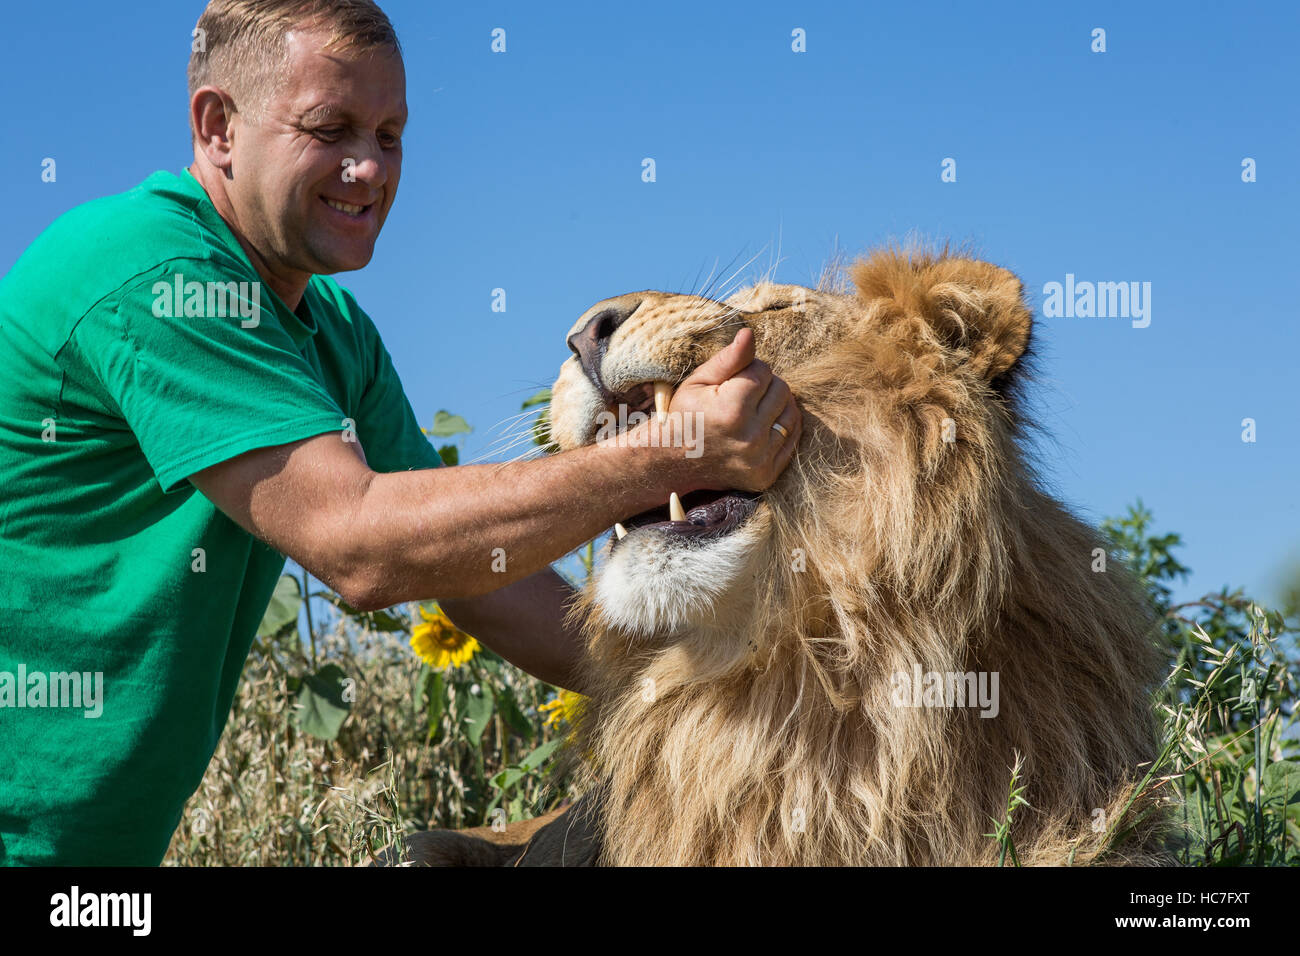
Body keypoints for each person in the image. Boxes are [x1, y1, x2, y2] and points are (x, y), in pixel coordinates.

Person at [0, 0, 802, 866]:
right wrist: (673, 453)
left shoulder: (332, 331)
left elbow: (478, 582)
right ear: (217, 127)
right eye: (330, 127)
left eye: (390, 134)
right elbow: (361, 546)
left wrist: (724, 686)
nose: (368, 169)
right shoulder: (156, 275)